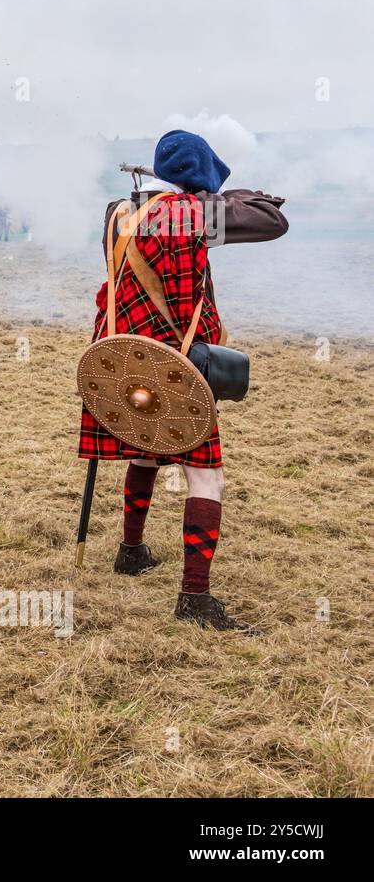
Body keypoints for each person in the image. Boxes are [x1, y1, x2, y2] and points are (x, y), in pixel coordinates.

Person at [79, 129, 288, 632]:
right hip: (176, 363)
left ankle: (131, 552)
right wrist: (225, 196)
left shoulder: (119, 212)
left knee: (145, 448)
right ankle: (195, 599)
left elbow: (149, 204)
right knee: (206, 476)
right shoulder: (198, 217)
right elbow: (272, 220)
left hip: (124, 359)